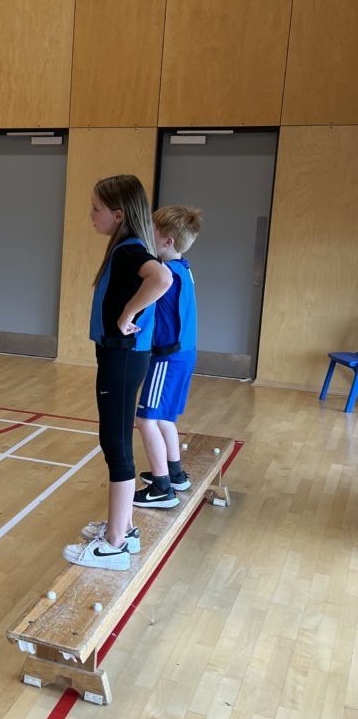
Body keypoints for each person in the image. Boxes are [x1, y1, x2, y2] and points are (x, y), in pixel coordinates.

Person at [63, 174, 172, 570]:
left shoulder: (130, 251)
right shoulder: (128, 248)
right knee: (115, 440)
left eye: (96, 209)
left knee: (115, 445)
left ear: (119, 214)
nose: (90, 215)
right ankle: (123, 525)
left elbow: (162, 278)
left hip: (122, 357)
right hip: (121, 357)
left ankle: (115, 544)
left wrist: (128, 313)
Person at [134, 205, 203, 508]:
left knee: (146, 418)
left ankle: (162, 487)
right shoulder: (184, 267)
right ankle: (175, 473)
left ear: (168, 240)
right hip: (184, 354)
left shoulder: (165, 274)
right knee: (164, 418)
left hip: (168, 357)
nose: (149, 236)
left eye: (154, 232)